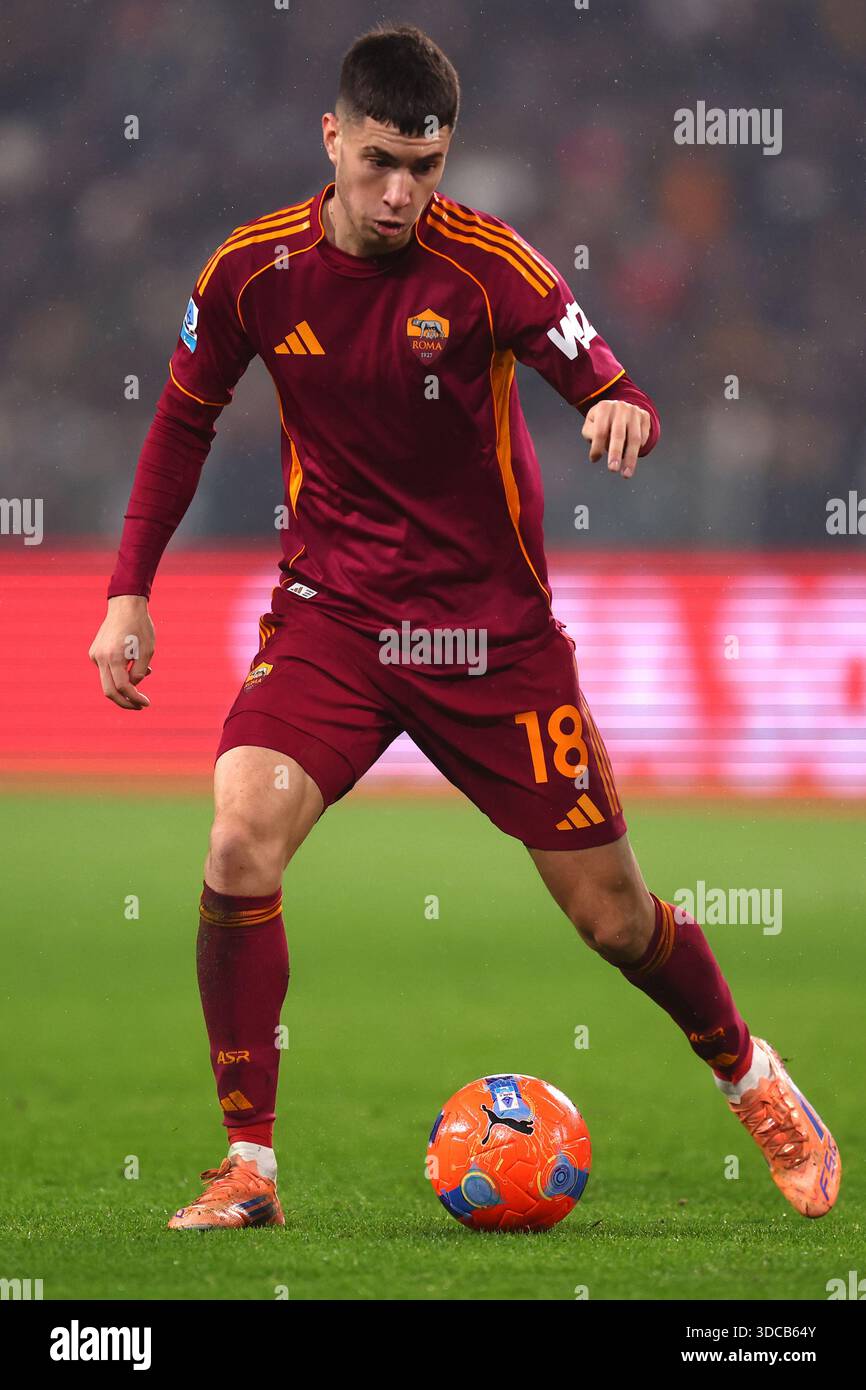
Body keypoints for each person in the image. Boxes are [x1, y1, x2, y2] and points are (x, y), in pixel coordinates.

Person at [89, 24, 840, 1230]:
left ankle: (753, 1077)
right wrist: (130, 590)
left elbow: (610, 379)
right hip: (331, 618)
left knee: (612, 916)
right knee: (237, 845)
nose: (399, 194)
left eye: (425, 168)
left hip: (490, 636)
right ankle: (248, 1167)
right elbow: (181, 420)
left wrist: (620, 416)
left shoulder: (491, 267)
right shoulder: (250, 273)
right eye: (380, 161)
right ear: (330, 138)